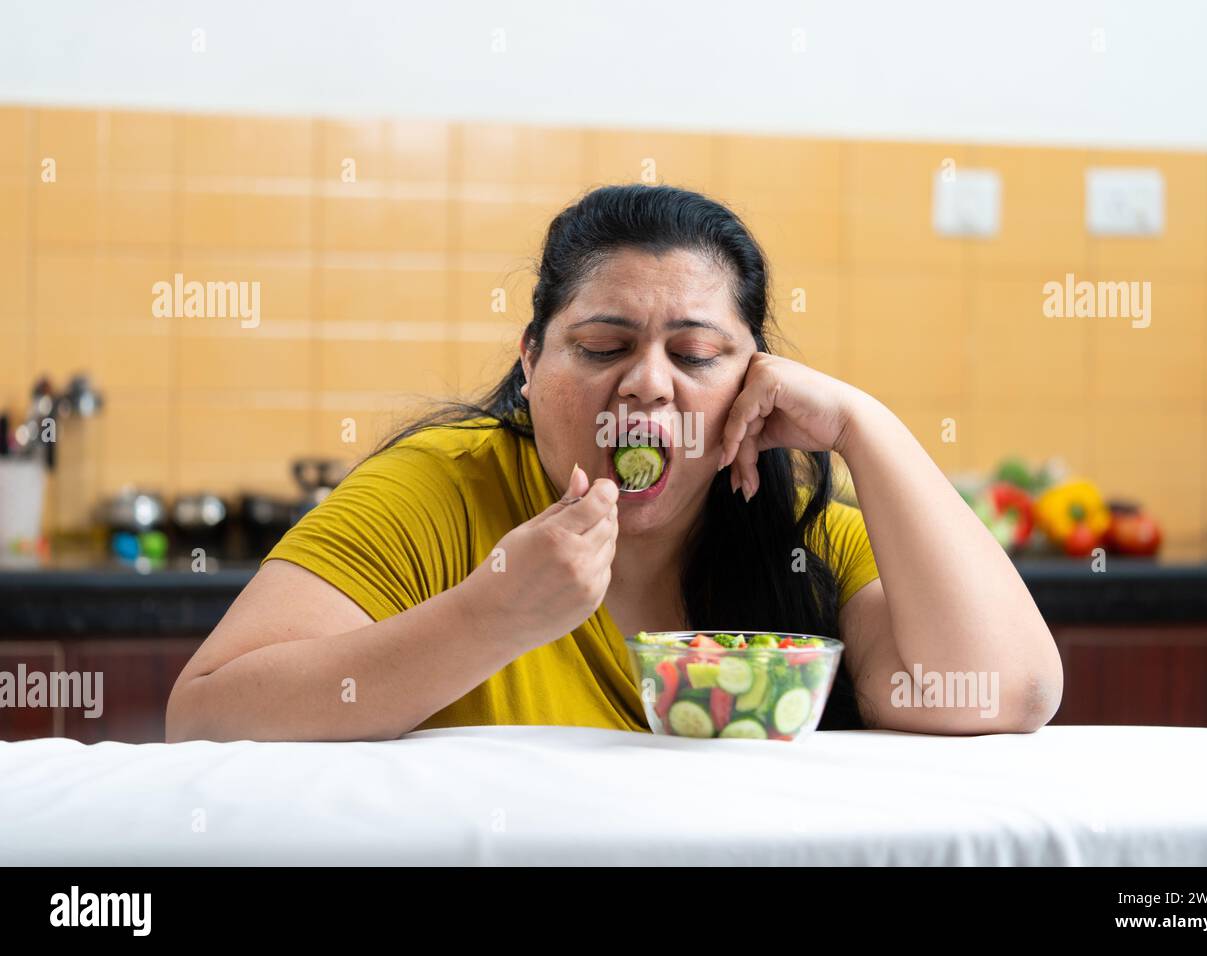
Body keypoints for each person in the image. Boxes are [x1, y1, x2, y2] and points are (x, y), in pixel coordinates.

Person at [166, 184, 1062, 743]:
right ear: (529, 361)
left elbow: (1006, 693)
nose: (647, 388)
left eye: (699, 355)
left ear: (760, 379)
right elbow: (206, 714)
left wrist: (868, 429)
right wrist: (492, 615)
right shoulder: (441, 487)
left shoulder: (798, 530)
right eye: (602, 347)